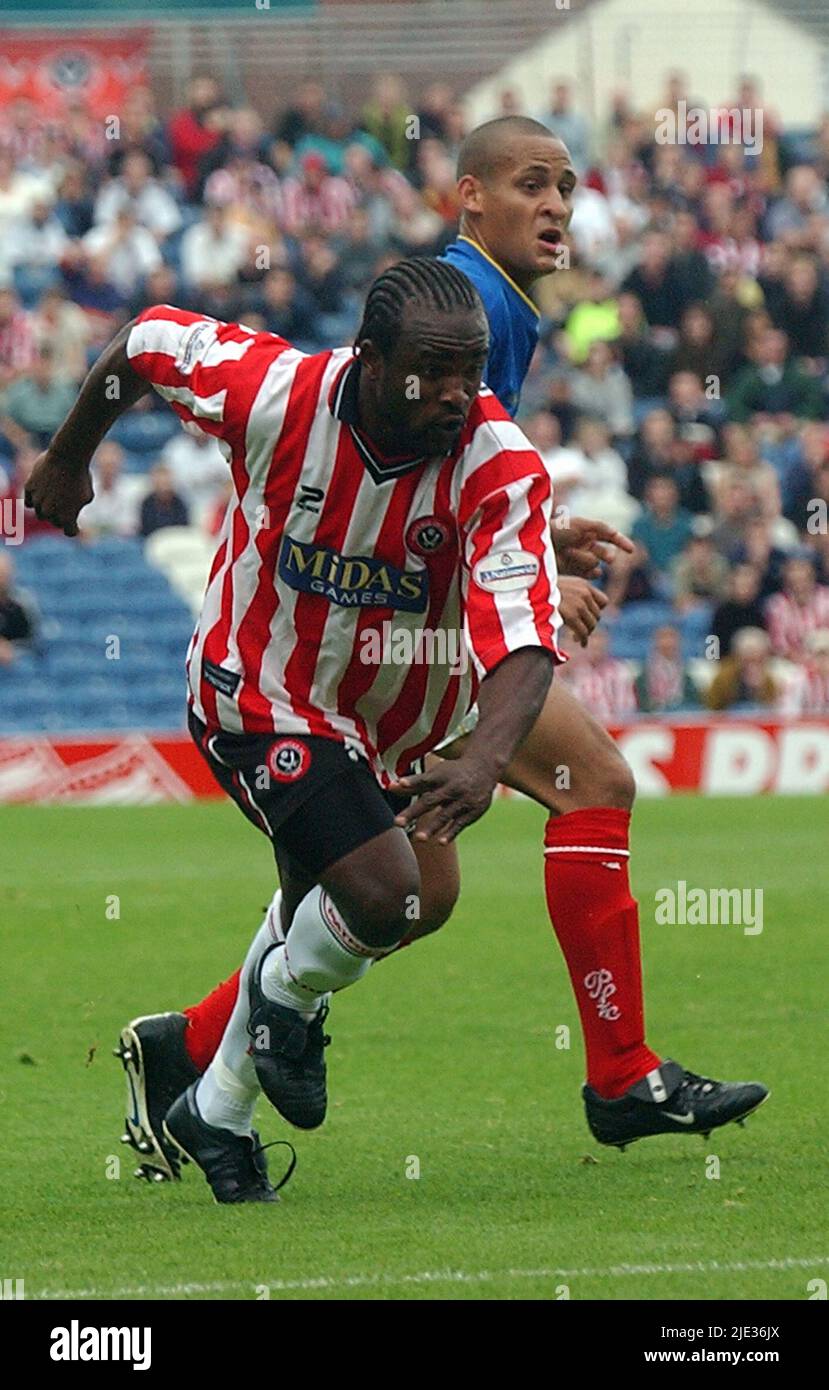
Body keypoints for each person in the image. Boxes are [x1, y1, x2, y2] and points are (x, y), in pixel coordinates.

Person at [29, 120, 768, 1189]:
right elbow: (412, 461)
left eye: (567, 187)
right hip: (353, 648)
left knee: (389, 884)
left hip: (405, 634)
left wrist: (524, 547)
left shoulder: (494, 321)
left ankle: (198, 1057)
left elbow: (467, 475)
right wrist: (66, 458)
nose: (556, 206)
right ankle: (614, 1071)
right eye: (530, 186)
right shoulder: (463, 305)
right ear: (469, 199)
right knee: (506, 827)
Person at [26, 259, 565, 1201]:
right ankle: (281, 1003)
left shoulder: (501, 464)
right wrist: (69, 455)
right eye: (430, 373)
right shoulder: (275, 392)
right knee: (386, 893)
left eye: (469, 371)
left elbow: (525, 639)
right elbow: (147, 340)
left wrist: (483, 760)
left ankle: (210, 1103)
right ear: (368, 360)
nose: (454, 394)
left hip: (390, 727)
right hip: (257, 691)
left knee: (416, 899)